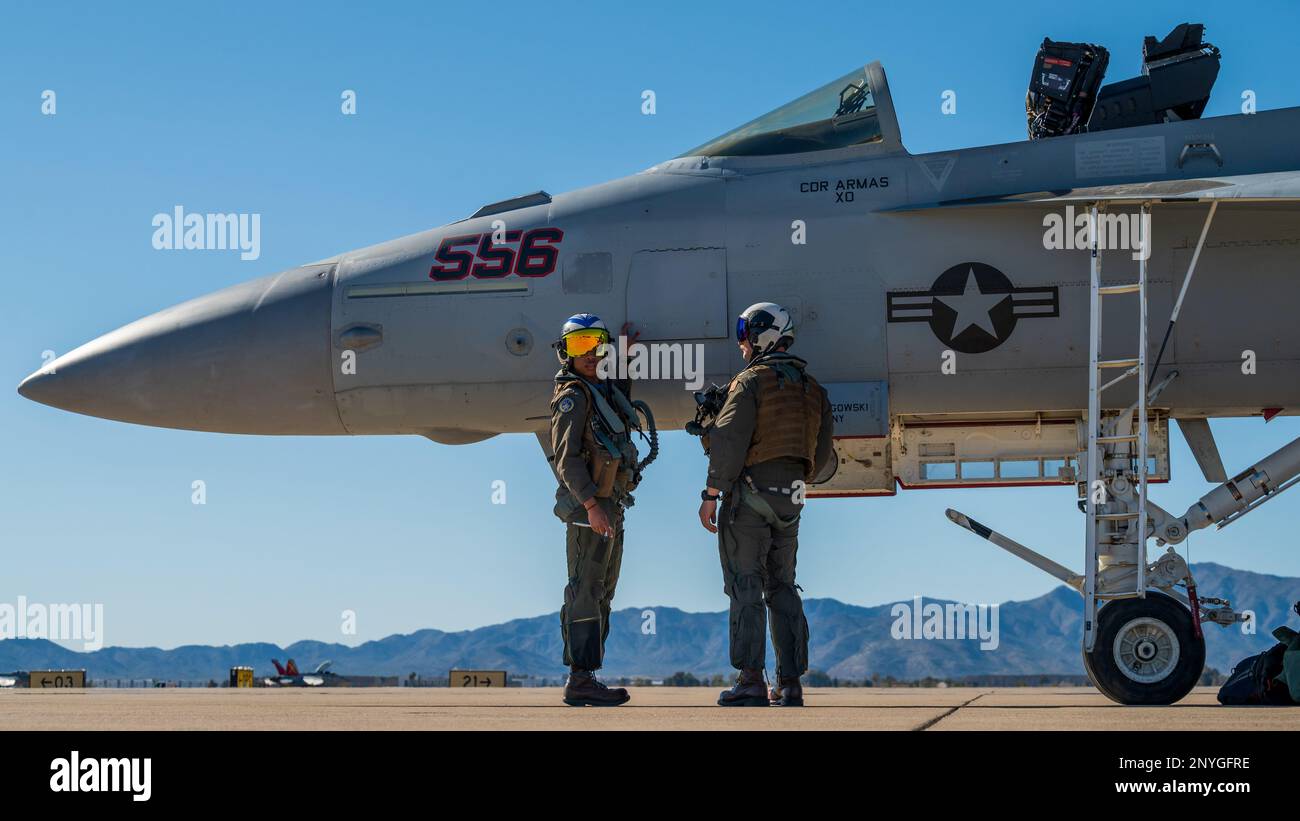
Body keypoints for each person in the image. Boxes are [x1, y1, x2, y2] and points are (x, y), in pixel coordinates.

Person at [697, 302, 835, 707]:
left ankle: (751, 681)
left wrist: (710, 494)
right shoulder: (813, 389)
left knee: (746, 586)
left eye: (745, 334)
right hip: (792, 499)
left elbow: (728, 442)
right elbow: (822, 454)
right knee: (783, 587)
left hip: (750, 496)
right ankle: (790, 684)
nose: (742, 344)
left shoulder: (751, 382)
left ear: (762, 335)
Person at [549, 313, 652, 706]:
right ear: (566, 352)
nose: (589, 353)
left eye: (595, 344)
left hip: (609, 505)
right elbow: (567, 459)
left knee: (603, 590)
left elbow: (617, 401)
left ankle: (589, 675)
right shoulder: (572, 396)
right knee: (585, 590)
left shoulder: (599, 390)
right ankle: (579, 678)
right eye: (579, 346)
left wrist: (624, 355)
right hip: (587, 508)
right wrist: (592, 505)